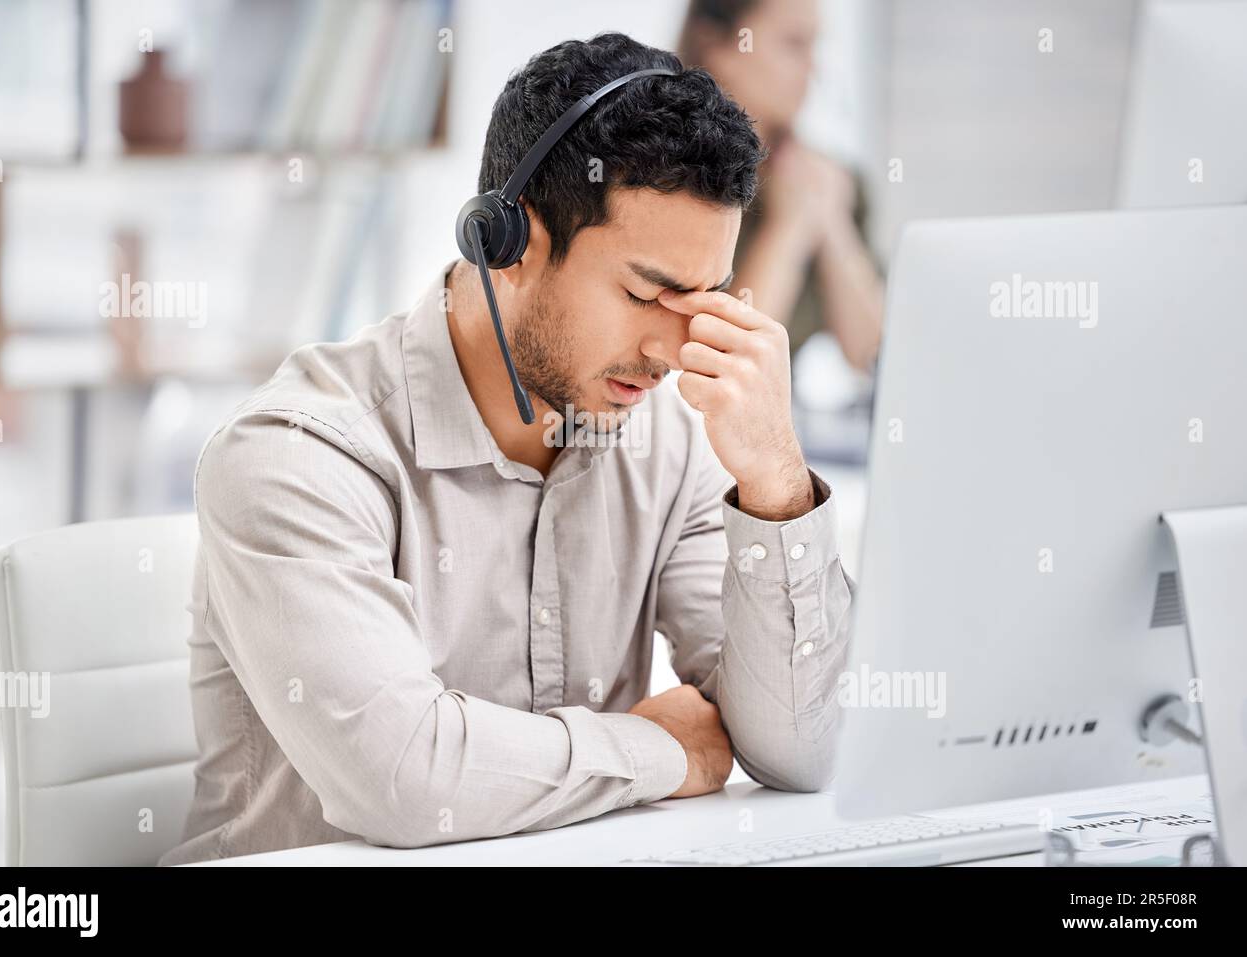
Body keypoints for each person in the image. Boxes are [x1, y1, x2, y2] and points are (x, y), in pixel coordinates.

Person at [160, 32, 851, 864]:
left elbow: (805, 748)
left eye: (701, 299)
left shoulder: (667, 440)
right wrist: (655, 749)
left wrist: (776, 479)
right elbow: (405, 779)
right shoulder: (296, 457)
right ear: (508, 242)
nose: (674, 350)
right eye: (643, 293)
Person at [679, 0, 883, 371]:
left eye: (814, 45)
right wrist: (788, 229)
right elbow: (718, 360)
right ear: (719, 46)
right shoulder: (669, 182)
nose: (813, 69)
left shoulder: (833, 180)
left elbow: (872, 354)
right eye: (793, 43)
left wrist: (831, 221)